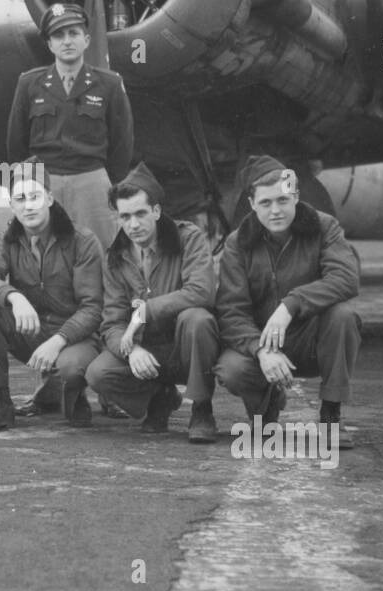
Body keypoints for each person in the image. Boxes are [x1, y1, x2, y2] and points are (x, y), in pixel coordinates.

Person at [215, 155, 362, 446]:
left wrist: (290, 305)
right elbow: (231, 312)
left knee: (343, 316)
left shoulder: (324, 227)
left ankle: (331, 413)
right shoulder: (237, 243)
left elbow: (346, 278)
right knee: (231, 369)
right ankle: (264, 407)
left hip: (308, 339)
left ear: (295, 196)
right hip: (261, 341)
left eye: (283, 200)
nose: (276, 211)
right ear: (251, 204)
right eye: (266, 203)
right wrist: (260, 350)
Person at [85, 163, 222, 443]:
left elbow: (201, 291)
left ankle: (201, 408)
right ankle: (160, 397)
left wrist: (146, 310)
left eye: (140, 214)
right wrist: (132, 350)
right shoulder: (116, 257)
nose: (133, 225)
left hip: (185, 347)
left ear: (157, 212)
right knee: (98, 373)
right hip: (147, 349)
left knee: (197, 318)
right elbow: (112, 322)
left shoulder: (189, 237)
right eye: (125, 216)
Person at [0, 159, 104, 430]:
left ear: (50, 199)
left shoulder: (83, 240)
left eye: (35, 196)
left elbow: (93, 307)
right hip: (31, 330)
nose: (28, 205)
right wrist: (14, 297)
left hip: (72, 338)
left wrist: (58, 341)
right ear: (12, 205)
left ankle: (72, 392)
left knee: (70, 370)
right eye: (20, 198)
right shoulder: (7, 238)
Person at [6, 2, 134, 251]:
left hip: (91, 182)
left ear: (86, 40)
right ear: (49, 44)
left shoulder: (108, 83)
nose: (67, 41)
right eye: (58, 35)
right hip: (43, 181)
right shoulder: (29, 83)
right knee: (42, 253)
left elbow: (123, 141)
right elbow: (16, 142)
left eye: (73, 33)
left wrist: (106, 182)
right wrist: (30, 185)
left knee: (100, 252)